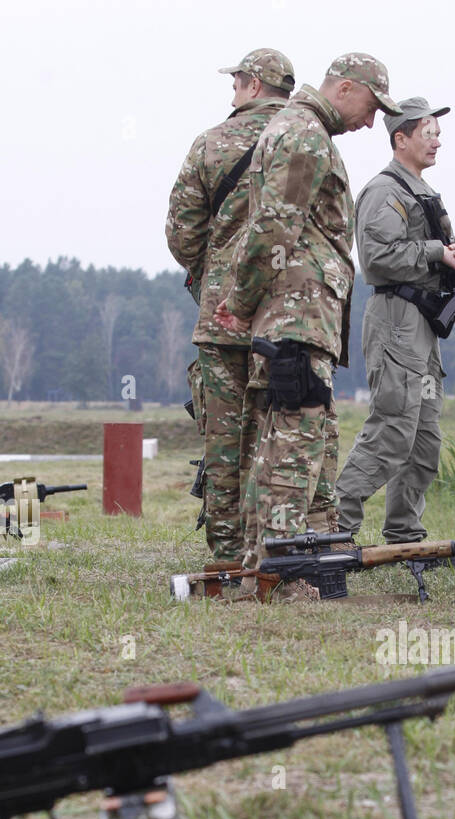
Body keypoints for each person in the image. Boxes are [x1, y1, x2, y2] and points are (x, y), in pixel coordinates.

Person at [215, 54, 400, 598]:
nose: (371, 122)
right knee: (292, 453)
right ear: (346, 88)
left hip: (294, 317)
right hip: (296, 317)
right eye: (371, 107)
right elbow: (276, 225)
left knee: (276, 446)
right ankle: (282, 578)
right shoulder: (305, 135)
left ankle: (260, 574)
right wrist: (240, 300)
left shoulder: (296, 129)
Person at [166, 49, 295, 562]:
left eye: (237, 81)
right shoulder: (304, 141)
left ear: (253, 85)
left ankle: (224, 556)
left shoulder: (212, 142)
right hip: (286, 314)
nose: (233, 91)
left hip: (220, 316)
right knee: (282, 435)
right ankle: (278, 552)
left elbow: (181, 232)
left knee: (224, 440)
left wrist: (214, 271)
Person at [334, 98, 455, 544]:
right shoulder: (384, 191)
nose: (437, 139)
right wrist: (436, 253)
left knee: (424, 434)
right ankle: (334, 528)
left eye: (437, 131)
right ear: (401, 138)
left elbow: (428, 250)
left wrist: (453, 256)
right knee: (393, 428)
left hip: (423, 326)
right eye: (427, 131)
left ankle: (404, 531)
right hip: (396, 321)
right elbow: (375, 258)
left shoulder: (421, 190)